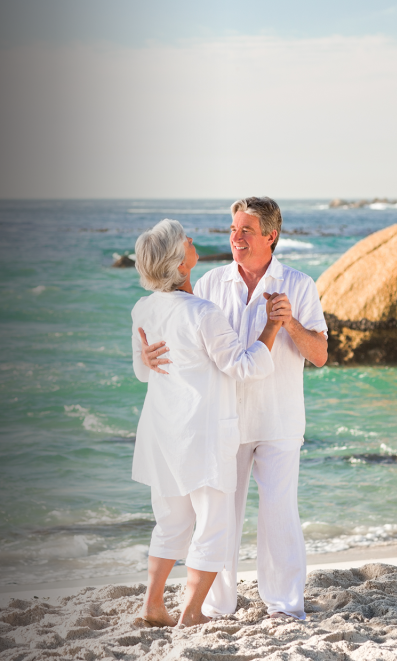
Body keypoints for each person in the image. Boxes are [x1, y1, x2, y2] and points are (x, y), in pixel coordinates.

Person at [138, 197, 328, 620]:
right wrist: (148, 359)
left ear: (270, 236)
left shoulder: (299, 284)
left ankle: (284, 606)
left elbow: (319, 354)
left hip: (279, 418)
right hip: (223, 423)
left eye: (246, 230)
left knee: (279, 515)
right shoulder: (209, 283)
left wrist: (290, 323)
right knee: (221, 517)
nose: (236, 238)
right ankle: (215, 605)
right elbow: (183, 338)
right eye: (232, 229)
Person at [130, 218, 285, 628]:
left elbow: (143, 372)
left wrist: (146, 358)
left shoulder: (143, 308)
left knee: (171, 521)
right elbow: (245, 367)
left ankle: (153, 604)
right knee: (214, 524)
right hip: (202, 433)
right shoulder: (203, 313)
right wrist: (271, 326)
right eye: (185, 240)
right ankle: (192, 612)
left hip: (161, 432)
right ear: (181, 264)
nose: (192, 239)